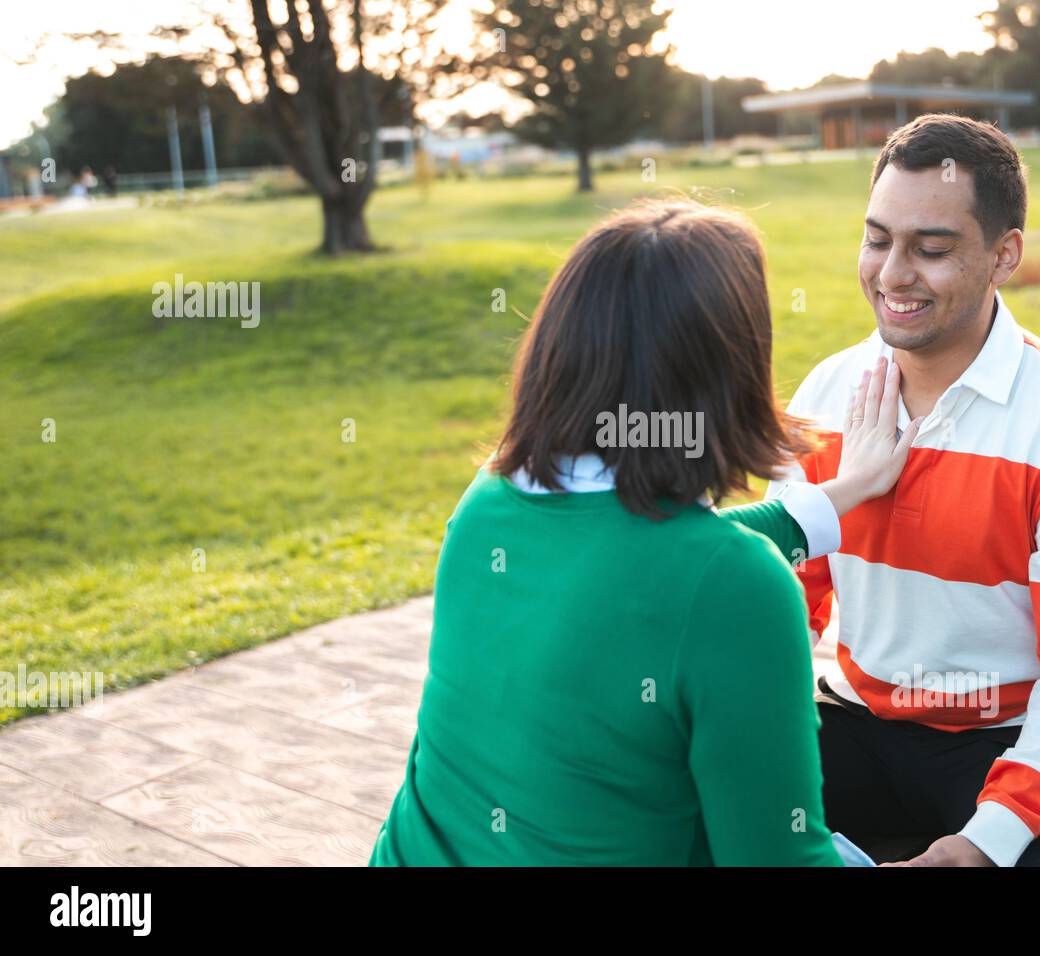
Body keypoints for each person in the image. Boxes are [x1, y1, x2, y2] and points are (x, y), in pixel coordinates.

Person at [369, 198, 918, 866]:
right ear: (728, 371)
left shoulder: (487, 502)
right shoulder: (737, 586)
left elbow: (639, 565)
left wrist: (841, 495)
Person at [767, 114, 1040, 867]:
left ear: (1004, 254)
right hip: (858, 720)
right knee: (677, 811)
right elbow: (792, 600)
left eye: (931, 249)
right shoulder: (827, 391)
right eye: (878, 239)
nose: (891, 273)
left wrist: (982, 845)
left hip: (1020, 735)